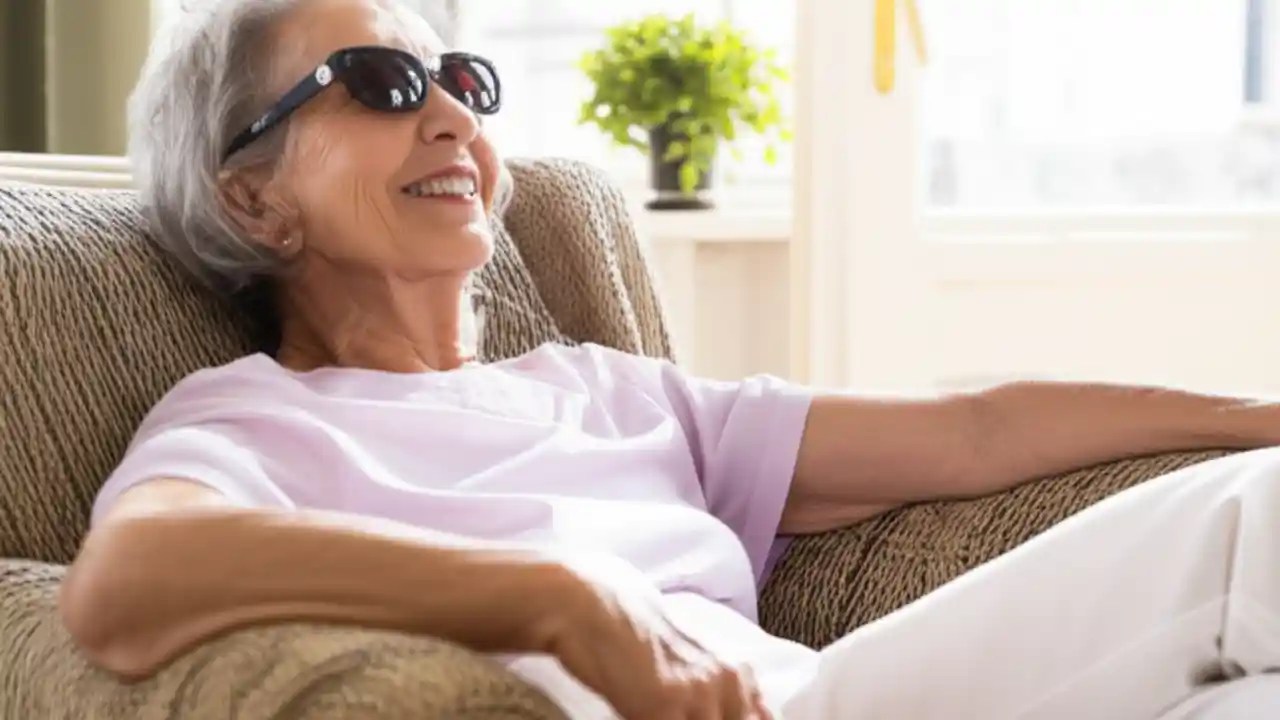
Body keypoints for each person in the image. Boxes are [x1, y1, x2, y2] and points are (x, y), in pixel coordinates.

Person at [59, 0, 1280, 717]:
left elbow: (976, 433)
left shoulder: (606, 389)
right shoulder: (253, 418)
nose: (449, 116)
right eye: (376, 83)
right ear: (253, 201)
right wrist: (561, 598)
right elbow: (121, 585)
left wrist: (1253, 413)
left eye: (460, 81)